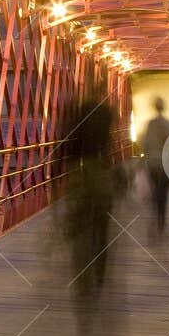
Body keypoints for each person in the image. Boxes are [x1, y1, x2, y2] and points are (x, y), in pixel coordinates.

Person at [58, 85, 117, 298]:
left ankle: (80, 264)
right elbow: (108, 144)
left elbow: (67, 144)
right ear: (102, 93)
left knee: (77, 216)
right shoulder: (107, 112)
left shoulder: (79, 111)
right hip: (100, 170)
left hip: (78, 171)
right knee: (102, 223)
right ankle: (100, 269)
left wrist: (58, 173)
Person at [137, 97, 169, 233]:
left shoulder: (150, 125)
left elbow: (144, 144)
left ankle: (156, 216)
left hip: (153, 164)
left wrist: (141, 163)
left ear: (155, 107)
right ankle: (162, 220)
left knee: (155, 190)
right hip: (166, 165)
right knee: (164, 193)